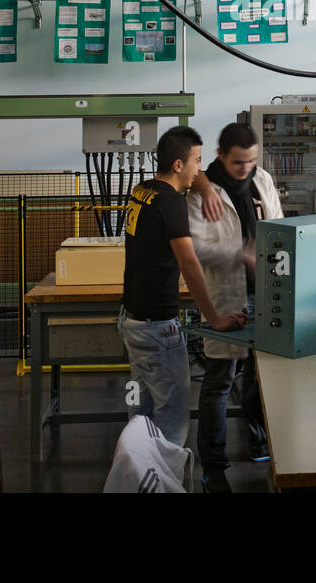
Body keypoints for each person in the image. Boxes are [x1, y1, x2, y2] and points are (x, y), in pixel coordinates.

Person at [119, 126, 246, 448]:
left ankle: (142, 478)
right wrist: (214, 318)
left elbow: (189, 176)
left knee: (142, 417)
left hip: (132, 319)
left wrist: (204, 187)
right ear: (178, 165)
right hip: (157, 326)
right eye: (197, 161)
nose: (199, 170)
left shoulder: (142, 190)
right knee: (172, 425)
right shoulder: (171, 204)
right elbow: (189, 264)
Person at [188, 123, 280, 493]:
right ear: (221, 155)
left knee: (264, 375)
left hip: (269, 291)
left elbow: (279, 223)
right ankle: (213, 466)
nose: (247, 169)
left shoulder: (263, 179)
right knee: (220, 381)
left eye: (252, 161)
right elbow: (196, 247)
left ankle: (260, 442)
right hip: (228, 295)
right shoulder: (202, 192)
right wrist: (241, 255)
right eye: (239, 162)